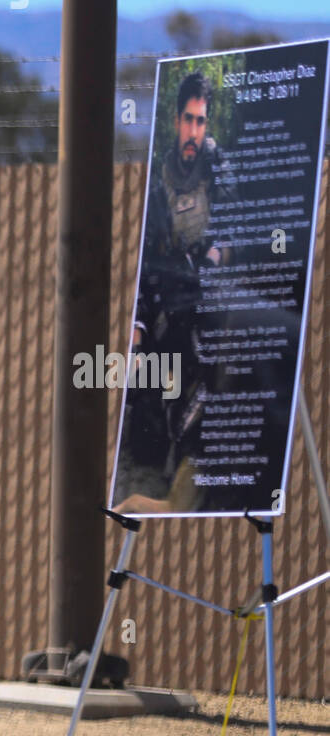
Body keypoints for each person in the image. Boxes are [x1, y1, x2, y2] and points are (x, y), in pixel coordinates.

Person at [117, 70, 240, 514]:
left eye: (200, 122)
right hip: (170, 291)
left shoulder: (217, 165)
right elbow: (148, 255)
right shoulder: (159, 176)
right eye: (187, 120)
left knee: (207, 374)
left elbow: (231, 233)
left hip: (210, 291)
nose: (193, 131)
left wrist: (209, 265)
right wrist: (139, 325)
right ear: (174, 120)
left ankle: (193, 464)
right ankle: (155, 458)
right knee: (150, 378)